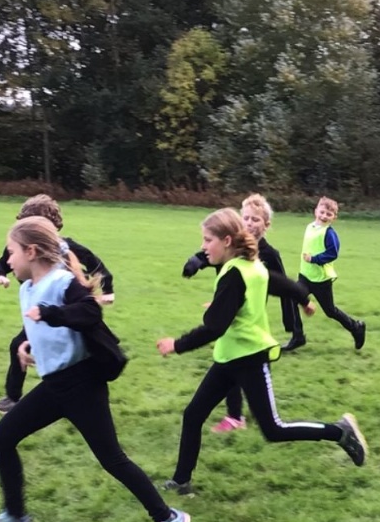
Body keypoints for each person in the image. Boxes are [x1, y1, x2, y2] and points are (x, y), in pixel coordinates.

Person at [0, 216, 190, 522]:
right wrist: (26, 347)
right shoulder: (28, 288)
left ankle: (169, 518)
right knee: (3, 436)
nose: (8, 261)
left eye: (11, 252)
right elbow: (41, 330)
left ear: (31, 251)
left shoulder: (61, 283)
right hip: (55, 386)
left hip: (82, 384)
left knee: (112, 458)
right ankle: (15, 518)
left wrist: (51, 314)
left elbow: (89, 312)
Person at [156, 208, 368, 493]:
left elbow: (215, 326)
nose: (204, 248)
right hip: (229, 357)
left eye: (208, 240)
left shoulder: (236, 273)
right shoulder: (248, 264)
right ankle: (181, 481)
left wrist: (176, 344)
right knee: (193, 414)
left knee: (274, 429)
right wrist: (303, 297)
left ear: (227, 240)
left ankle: (339, 431)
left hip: (250, 359)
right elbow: (275, 283)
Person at [180, 193, 300, 432]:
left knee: (244, 362)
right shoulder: (227, 246)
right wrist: (195, 262)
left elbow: (282, 285)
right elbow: (208, 251)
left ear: (266, 225)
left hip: (250, 317)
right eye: (245, 217)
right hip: (228, 314)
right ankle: (236, 415)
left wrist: (295, 322)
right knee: (230, 361)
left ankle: (255, 410)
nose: (249, 223)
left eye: (255, 219)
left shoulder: (268, 255)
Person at [0, 194, 114, 415]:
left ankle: (73, 393)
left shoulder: (66, 249)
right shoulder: (20, 248)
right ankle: (18, 398)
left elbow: (97, 265)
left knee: (82, 350)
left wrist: (108, 290)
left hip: (64, 312)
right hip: (40, 314)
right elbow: (0, 264)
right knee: (21, 346)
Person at [284, 196, 365, 352]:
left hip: (321, 280)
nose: (324, 216)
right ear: (316, 211)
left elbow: (332, 253)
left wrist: (314, 259)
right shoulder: (309, 227)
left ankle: (356, 327)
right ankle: (298, 336)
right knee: (292, 298)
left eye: (329, 214)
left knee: (330, 311)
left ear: (334, 217)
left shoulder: (329, 234)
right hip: (305, 276)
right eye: (322, 212)